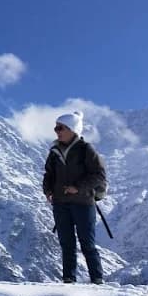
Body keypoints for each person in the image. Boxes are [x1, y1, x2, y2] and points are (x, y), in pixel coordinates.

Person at [43, 111, 107, 284]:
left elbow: (99, 176)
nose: (56, 131)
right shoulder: (54, 151)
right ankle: (69, 280)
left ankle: (97, 279)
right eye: (56, 128)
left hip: (83, 202)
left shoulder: (86, 150)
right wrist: (47, 190)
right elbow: (49, 174)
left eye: (60, 128)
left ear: (72, 129)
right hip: (60, 203)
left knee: (87, 243)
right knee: (67, 244)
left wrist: (77, 188)